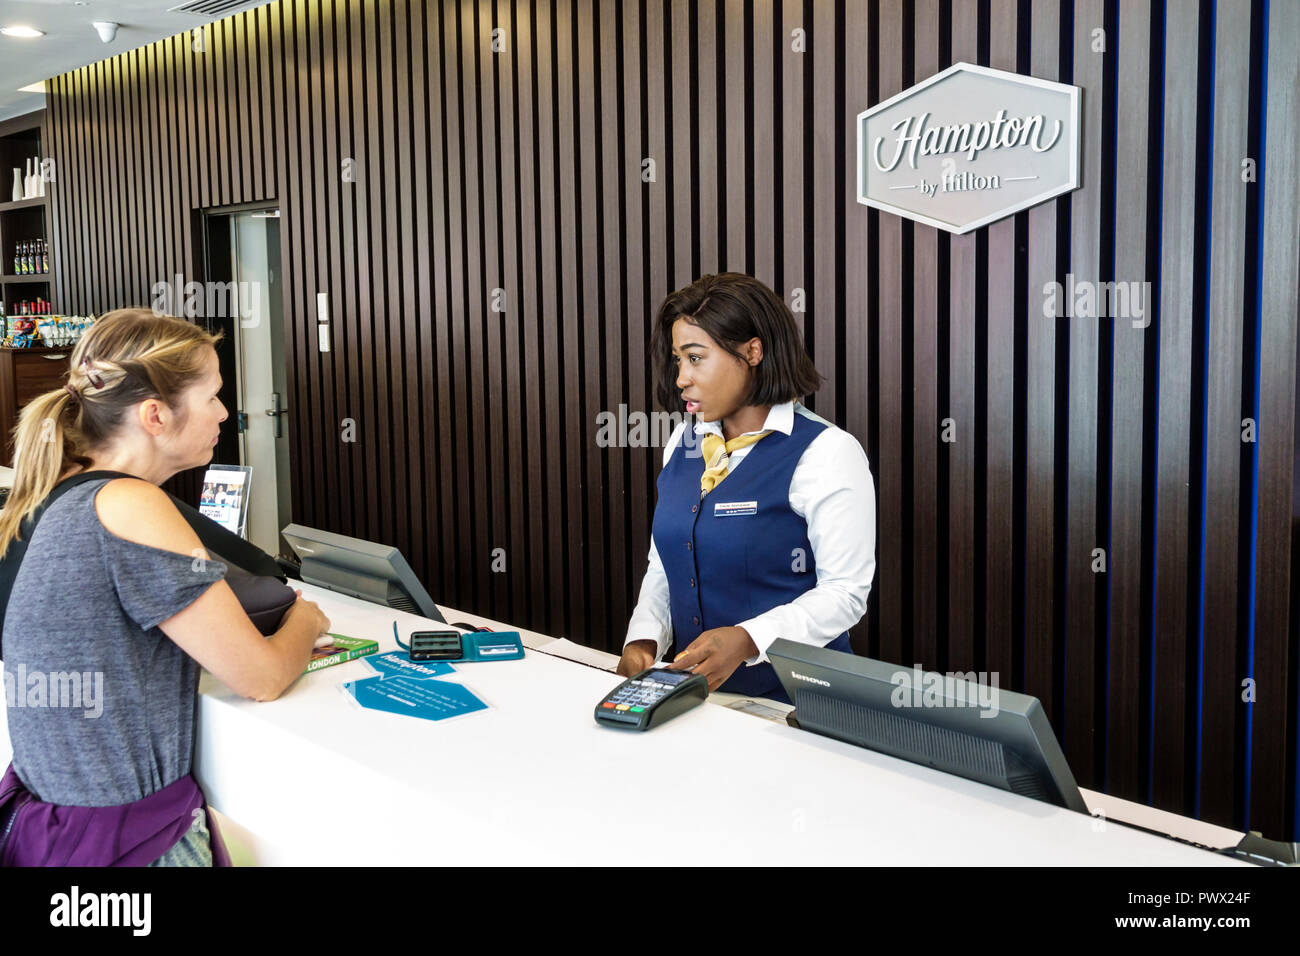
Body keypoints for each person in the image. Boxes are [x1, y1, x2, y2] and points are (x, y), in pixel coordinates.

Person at [0, 308, 331, 866]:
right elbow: (262, 677)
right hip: (127, 842)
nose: (225, 413)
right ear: (155, 415)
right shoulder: (134, 505)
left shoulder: (69, 493)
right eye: (213, 397)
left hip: (60, 828)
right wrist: (307, 619)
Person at [618, 273, 876, 704]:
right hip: (697, 701)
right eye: (677, 359)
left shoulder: (828, 452)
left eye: (695, 358)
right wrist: (645, 637)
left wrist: (747, 639)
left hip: (796, 707)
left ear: (752, 351)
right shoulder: (681, 443)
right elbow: (665, 565)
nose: (681, 377)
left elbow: (845, 592)